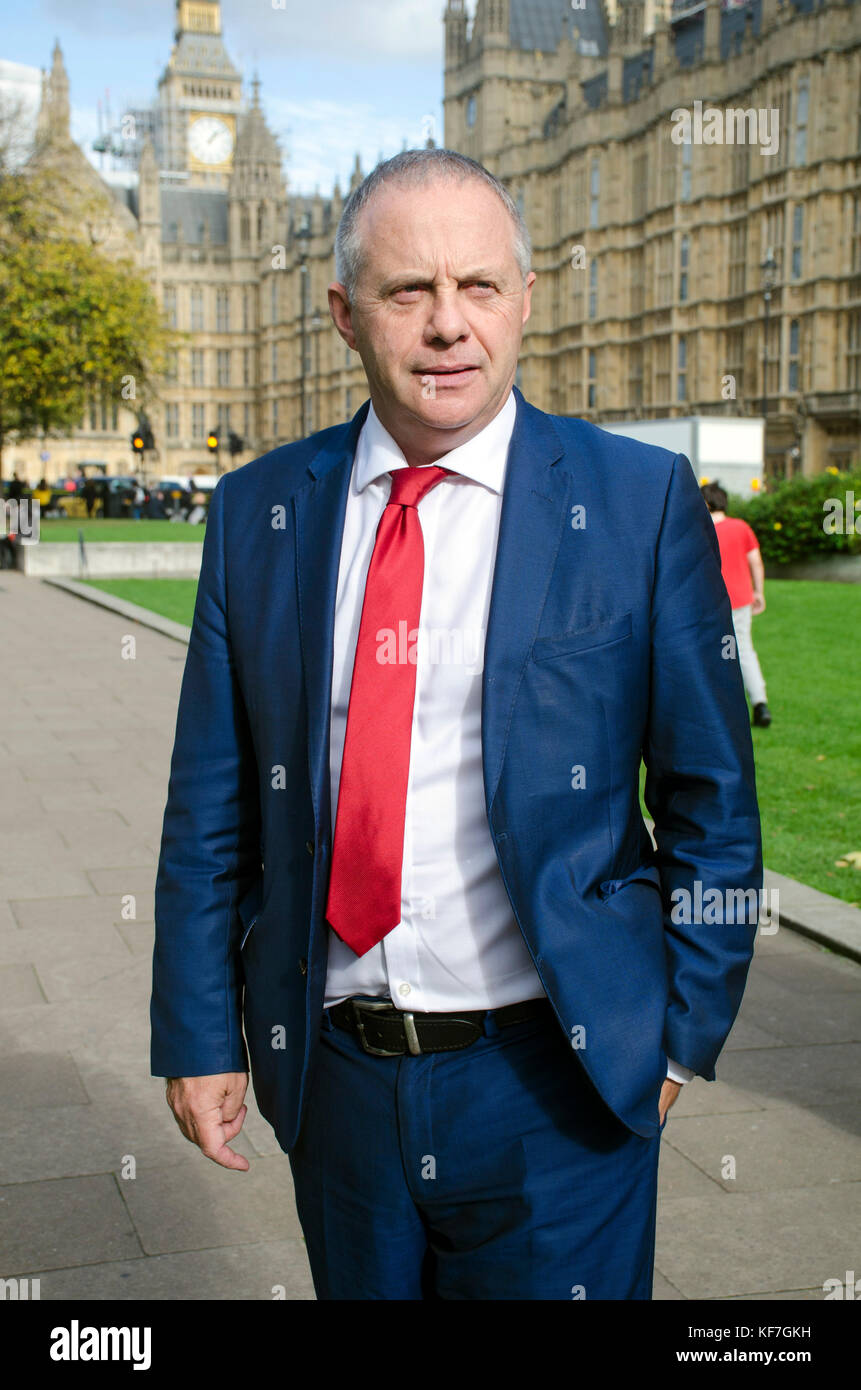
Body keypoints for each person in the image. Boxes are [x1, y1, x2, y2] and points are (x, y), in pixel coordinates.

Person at [151, 149, 762, 1301]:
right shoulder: (258, 513)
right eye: (408, 291)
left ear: (525, 301)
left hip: (558, 1083)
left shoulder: (636, 503)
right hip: (338, 1083)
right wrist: (196, 1032)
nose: (448, 326)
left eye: (479, 287)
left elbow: (713, 802)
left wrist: (678, 1036)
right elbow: (209, 807)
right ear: (344, 313)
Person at [700, 482, 771, 727]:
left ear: (705, 504)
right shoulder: (741, 527)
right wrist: (759, 592)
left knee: (710, 652)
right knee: (743, 649)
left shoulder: (700, 529)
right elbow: (756, 562)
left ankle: (717, 707)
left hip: (709, 601)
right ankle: (760, 703)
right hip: (740, 599)